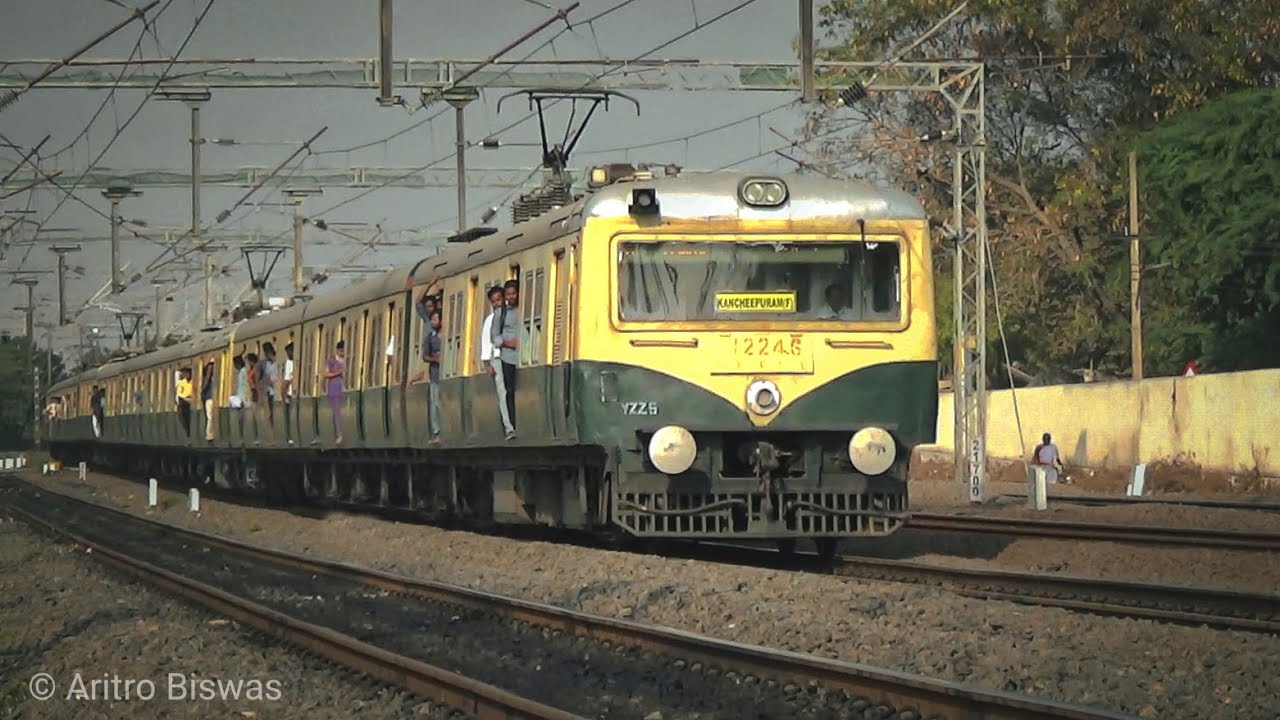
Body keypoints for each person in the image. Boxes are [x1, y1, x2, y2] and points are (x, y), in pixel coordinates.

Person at [478, 285, 513, 437]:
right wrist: (487, 365)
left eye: (499, 300)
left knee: (510, 390)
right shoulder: (490, 320)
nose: (497, 304)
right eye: (494, 302)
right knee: (502, 393)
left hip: (511, 357)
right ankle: (508, 427)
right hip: (497, 359)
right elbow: (486, 343)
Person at [490, 278, 520, 440]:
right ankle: (511, 425)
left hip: (523, 356)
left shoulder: (524, 310)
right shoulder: (500, 314)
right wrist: (508, 343)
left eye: (513, 293)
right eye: (508, 294)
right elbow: (494, 337)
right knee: (509, 392)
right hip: (507, 357)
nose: (510, 297)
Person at [426, 309, 443, 444]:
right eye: (432, 319)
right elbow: (425, 356)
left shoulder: (446, 334)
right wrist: (434, 359)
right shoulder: (430, 337)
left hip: (445, 374)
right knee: (435, 404)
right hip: (435, 374)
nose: (433, 322)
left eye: (435, 319)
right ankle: (436, 432)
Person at [324, 340, 345, 444]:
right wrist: (337, 373)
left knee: (341, 413)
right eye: (341, 350)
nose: (342, 353)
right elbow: (326, 374)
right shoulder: (331, 361)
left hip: (342, 389)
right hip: (334, 389)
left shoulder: (347, 360)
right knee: (336, 412)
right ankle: (338, 434)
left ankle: (341, 433)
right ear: (337, 350)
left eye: (343, 350)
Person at [282, 342, 295, 445]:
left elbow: (286, 380)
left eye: (288, 352)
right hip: (292, 392)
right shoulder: (290, 362)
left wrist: (283, 394)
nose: (288, 354)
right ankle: (290, 437)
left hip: (291, 393)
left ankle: (290, 437)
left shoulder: (290, 363)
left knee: (289, 416)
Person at [176, 368, 194, 437]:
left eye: (188, 373)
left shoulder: (193, 381)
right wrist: (186, 398)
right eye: (185, 373)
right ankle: (187, 432)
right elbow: (179, 394)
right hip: (183, 401)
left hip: (190, 400)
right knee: (183, 416)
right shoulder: (181, 383)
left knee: (188, 418)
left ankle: (188, 432)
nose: (187, 375)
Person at [201, 360, 216, 441]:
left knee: (210, 416)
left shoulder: (210, 380)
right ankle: (209, 434)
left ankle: (210, 434)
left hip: (210, 397)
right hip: (210, 397)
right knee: (210, 416)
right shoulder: (210, 380)